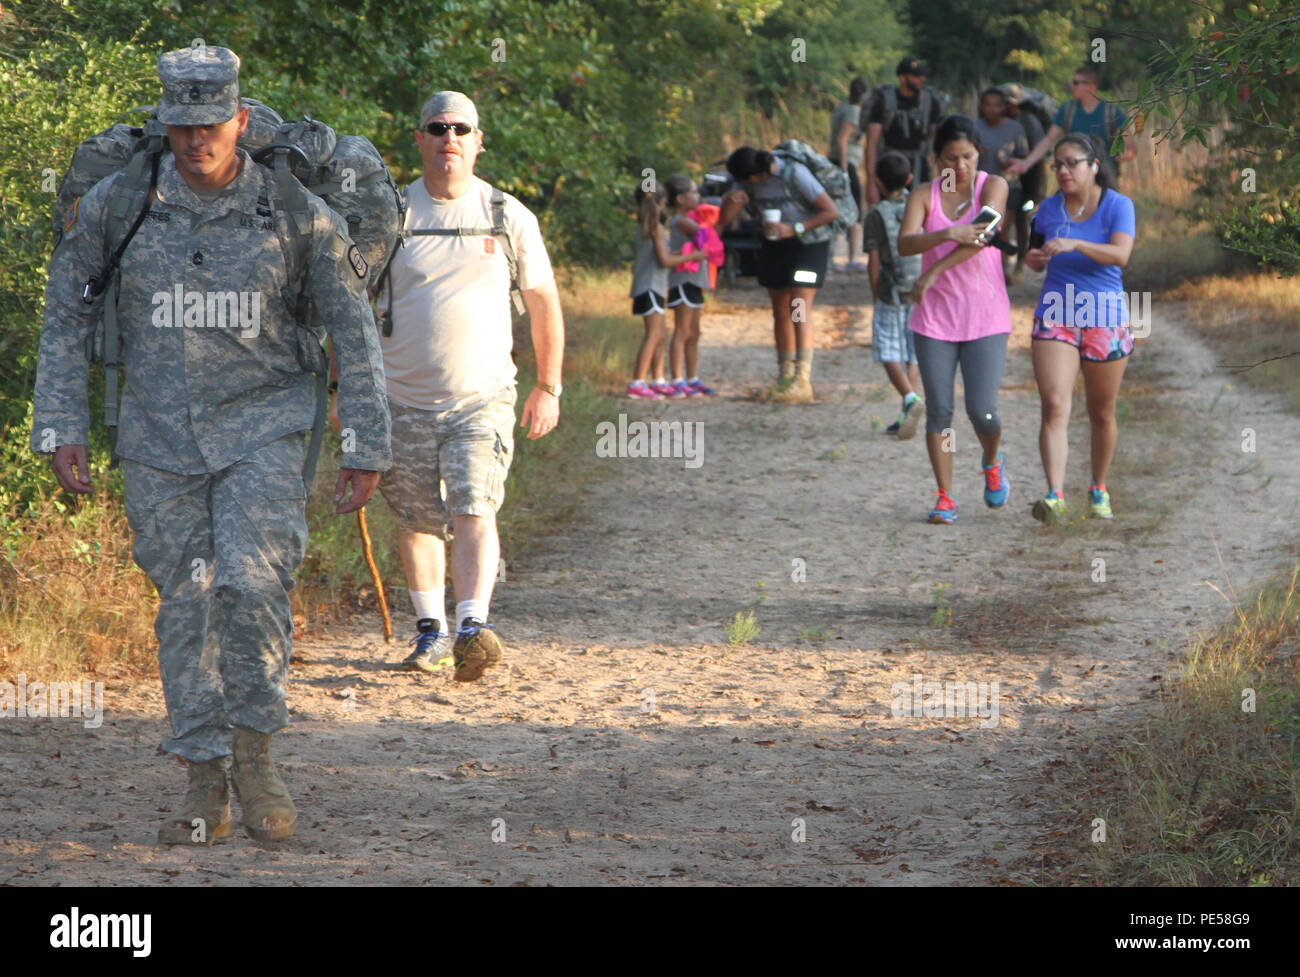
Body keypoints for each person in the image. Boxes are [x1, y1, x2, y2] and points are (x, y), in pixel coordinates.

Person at [31, 47, 392, 845]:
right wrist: (62, 425)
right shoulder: (120, 203)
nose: (196, 141)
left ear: (239, 120)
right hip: (158, 436)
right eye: (181, 126)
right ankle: (203, 774)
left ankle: (257, 757)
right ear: (166, 124)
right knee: (186, 602)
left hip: (265, 425)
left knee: (254, 586)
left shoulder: (292, 208)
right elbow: (67, 311)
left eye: (210, 125)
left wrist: (364, 438)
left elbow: (352, 324)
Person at [378, 91, 563, 679]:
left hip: (481, 398)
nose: (448, 138)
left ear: (479, 141)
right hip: (399, 397)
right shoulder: (389, 214)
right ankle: (430, 632)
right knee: (414, 518)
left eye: (461, 129)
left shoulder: (508, 216)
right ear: (420, 139)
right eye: (437, 127)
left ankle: (472, 627)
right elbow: (353, 309)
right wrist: (345, 394)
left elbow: (543, 306)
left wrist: (548, 386)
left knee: (474, 506)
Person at [898, 115, 1012, 524]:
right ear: (936, 159)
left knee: (982, 410)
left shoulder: (993, 186)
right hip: (934, 317)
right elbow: (905, 243)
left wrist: (932, 272)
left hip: (985, 313)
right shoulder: (923, 195)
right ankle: (945, 496)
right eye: (950, 158)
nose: (959, 167)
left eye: (967, 156)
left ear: (978, 154)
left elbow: (982, 235)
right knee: (940, 409)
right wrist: (945, 234)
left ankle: (992, 457)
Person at [1024, 134, 1136, 524]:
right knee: (1054, 403)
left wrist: (1075, 244)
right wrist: (1036, 258)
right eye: (1057, 165)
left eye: (1072, 163)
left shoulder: (1118, 206)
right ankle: (1054, 495)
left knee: (1101, 411)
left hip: (1104, 316)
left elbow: (1121, 255)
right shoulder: (1047, 209)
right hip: (1056, 312)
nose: (1063, 171)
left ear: (1094, 164)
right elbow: (1033, 258)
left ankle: (1098, 487)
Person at [719, 146, 839, 403]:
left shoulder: (795, 174)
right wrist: (732, 202)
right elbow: (724, 222)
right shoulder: (743, 183)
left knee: (799, 305)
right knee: (780, 308)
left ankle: (802, 379)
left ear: (754, 176)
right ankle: (785, 377)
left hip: (810, 246)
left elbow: (830, 212)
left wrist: (794, 228)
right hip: (775, 245)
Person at [862, 151, 924, 438]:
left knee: (888, 349)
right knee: (911, 353)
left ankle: (910, 399)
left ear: (877, 181)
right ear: (909, 178)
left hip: (892, 291)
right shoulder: (921, 203)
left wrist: (876, 293)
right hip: (920, 289)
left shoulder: (876, 215)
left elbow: (874, 259)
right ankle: (905, 412)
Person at [1007, 65, 1134, 182]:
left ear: (1091, 86)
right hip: (1074, 174)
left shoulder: (1111, 111)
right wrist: (1026, 163)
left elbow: (1129, 144)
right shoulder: (1067, 110)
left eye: (1076, 83)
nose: (1072, 86)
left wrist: (1125, 155)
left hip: (1105, 175)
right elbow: (1048, 140)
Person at [627, 183, 692, 400]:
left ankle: (658, 380)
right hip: (649, 287)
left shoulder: (647, 226)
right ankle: (637, 382)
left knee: (661, 334)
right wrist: (692, 257)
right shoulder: (656, 227)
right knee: (654, 334)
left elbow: (662, 255)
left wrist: (681, 253)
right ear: (663, 203)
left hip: (651, 287)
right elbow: (665, 260)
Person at [864, 57, 943, 209]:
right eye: (916, 76)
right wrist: (871, 184)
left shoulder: (929, 101)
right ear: (902, 78)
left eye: (923, 75)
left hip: (919, 168)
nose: (922, 79)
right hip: (890, 168)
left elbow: (940, 144)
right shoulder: (884, 101)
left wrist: (945, 182)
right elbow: (871, 144)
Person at [665, 174, 716, 396]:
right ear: (680, 199)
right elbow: (707, 235)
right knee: (682, 331)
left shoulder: (691, 219)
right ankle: (677, 378)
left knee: (694, 332)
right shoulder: (680, 221)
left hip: (695, 282)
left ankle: (692, 377)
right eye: (693, 193)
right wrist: (717, 216)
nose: (698, 196)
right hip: (683, 281)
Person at [973, 87, 1028, 277]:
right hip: (980, 187)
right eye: (987, 105)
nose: (992, 109)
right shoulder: (975, 128)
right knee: (983, 229)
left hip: (1009, 187)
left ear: (1004, 107)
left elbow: (1024, 158)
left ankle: (1002, 272)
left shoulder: (1015, 129)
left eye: (996, 105)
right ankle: (985, 269)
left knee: (1002, 229)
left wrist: (1009, 163)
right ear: (981, 106)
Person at [1000, 83, 1047, 277]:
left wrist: (1038, 188)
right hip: (1006, 180)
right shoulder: (997, 121)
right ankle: (1003, 266)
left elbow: (1040, 156)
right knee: (1003, 222)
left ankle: (1020, 262)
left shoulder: (1029, 122)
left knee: (1022, 220)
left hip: (1029, 178)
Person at [829, 76, 868, 270]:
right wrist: (844, 168)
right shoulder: (854, 111)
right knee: (854, 211)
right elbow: (842, 139)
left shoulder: (842, 106)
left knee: (835, 207)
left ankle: (834, 256)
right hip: (845, 164)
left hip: (837, 162)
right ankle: (851, 257)